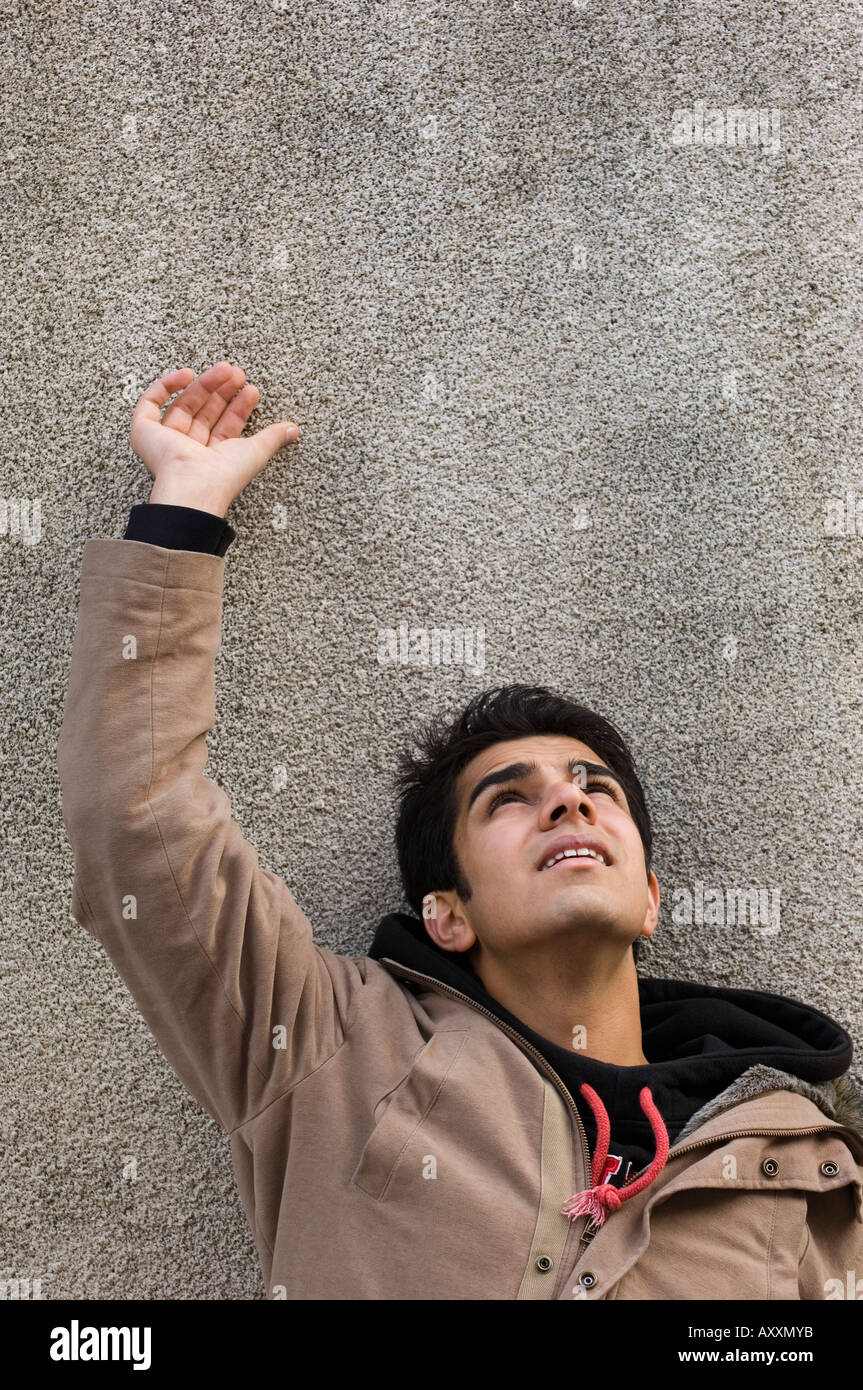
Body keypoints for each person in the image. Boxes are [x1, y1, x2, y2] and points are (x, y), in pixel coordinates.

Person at [57, 362, 863, 1301]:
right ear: (446, 914)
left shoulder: (800, 1168)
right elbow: (139, 824)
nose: (569, 804)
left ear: (650, 901)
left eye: (594, 787)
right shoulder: (329, 1047)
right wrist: (183, 516)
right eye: (508, 798)